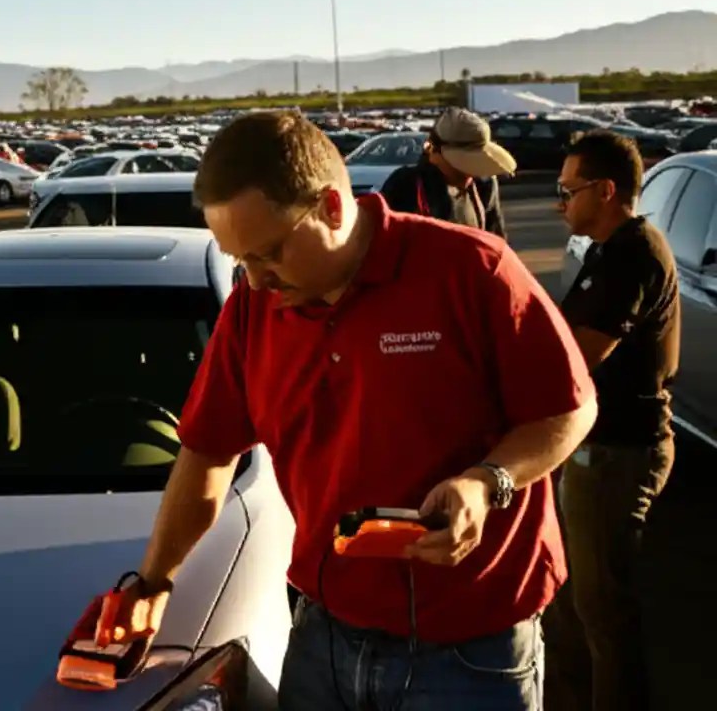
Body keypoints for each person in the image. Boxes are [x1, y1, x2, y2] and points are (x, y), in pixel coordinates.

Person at [99, 111, 597, 711]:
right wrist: (154, 584)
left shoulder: (471, 269)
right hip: (325, 641)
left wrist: (487, 481)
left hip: (474, 649)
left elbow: (570, 409)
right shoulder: (254, 312)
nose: (255, 281)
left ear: (332, 209)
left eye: (271, 253)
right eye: (239, 261)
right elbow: (206, 454)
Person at [545, 130, 679, 711]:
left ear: (605, 190)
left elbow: (577, 354)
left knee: (603, 611)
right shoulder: (606, 249)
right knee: (573, 601)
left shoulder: (634, 253)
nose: (560, 203)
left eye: (567, 190)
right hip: (595, 447)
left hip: (617, 451)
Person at [380, 107, 514, 239]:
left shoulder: (484, 183)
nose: (468, 174)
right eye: (462, 164)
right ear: (434, 151)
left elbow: (497, 243)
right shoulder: (405, 186)